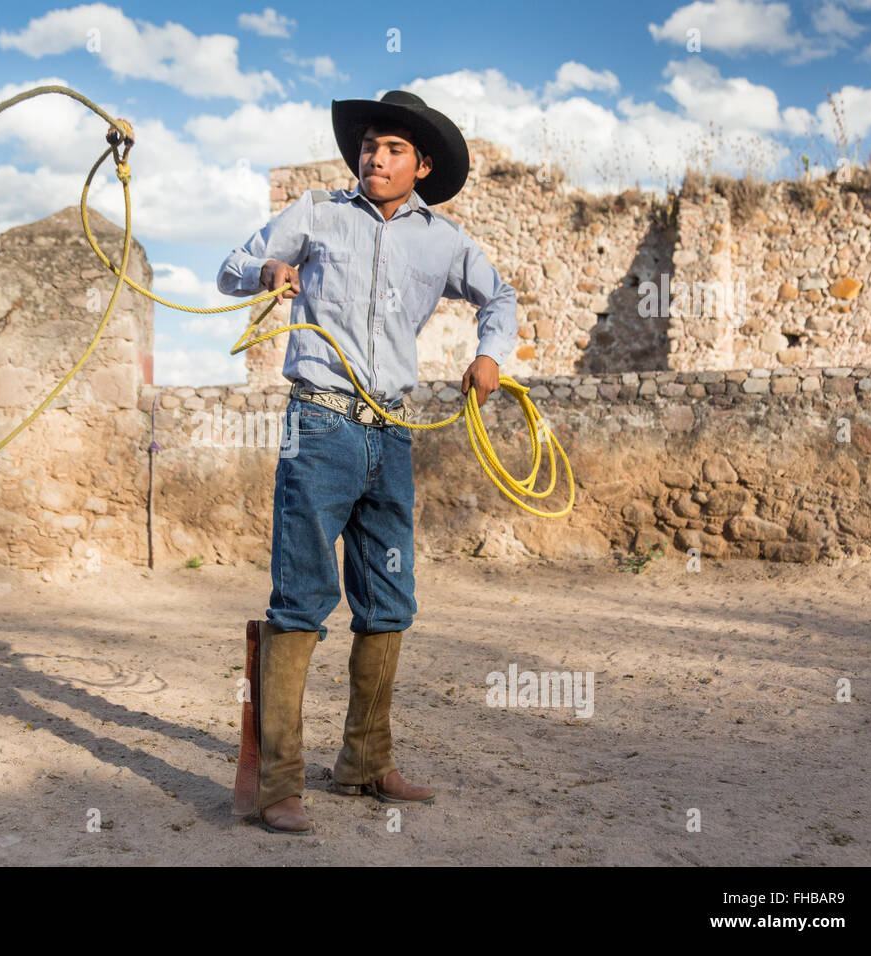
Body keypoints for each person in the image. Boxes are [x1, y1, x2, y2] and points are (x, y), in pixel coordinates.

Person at [217, 90, 518, 835]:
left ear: (422, 165)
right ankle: (279, 783)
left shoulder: (444, 241)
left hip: (392, 432)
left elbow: (500, 297)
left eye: (392, 151)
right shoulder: (316, 213)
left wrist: (489, 356)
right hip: (318, 423)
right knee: (302, 595)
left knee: (389, 597)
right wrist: (265, 274)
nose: (374, 158)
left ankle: (363, 760)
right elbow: (231, 266)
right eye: (369, 146)